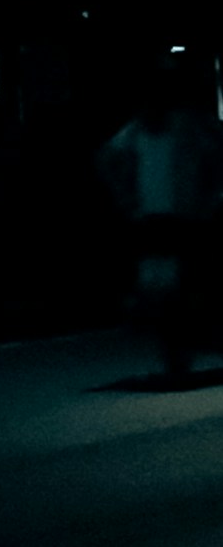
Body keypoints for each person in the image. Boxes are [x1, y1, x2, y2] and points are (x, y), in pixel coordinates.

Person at [95, 51, 223, 375]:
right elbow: (107, 158)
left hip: (182, 217)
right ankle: (176, 348)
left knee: (184, 282)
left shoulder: (185, 128)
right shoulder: (139, 131)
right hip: (156, 219)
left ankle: (182, 347)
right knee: (164, 284)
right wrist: (126, 198)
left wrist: (209, 196)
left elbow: (214, 155)